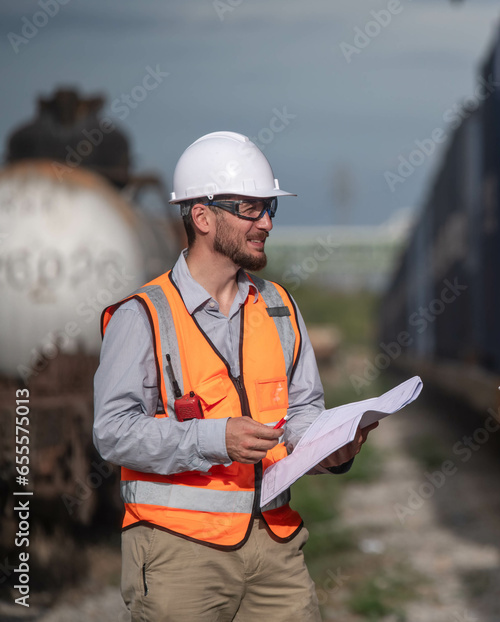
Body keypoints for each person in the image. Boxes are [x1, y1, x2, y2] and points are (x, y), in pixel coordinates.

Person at [93, 131, 376, 621]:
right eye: (250, 208)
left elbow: (302, 412)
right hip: (177, 553)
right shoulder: (142, 317)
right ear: (202, 217)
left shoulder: (280, 307)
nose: (266, 222)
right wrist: (213, 437)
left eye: (269, 208)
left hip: (276, 547)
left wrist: (330, 449)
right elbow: (113, 433)